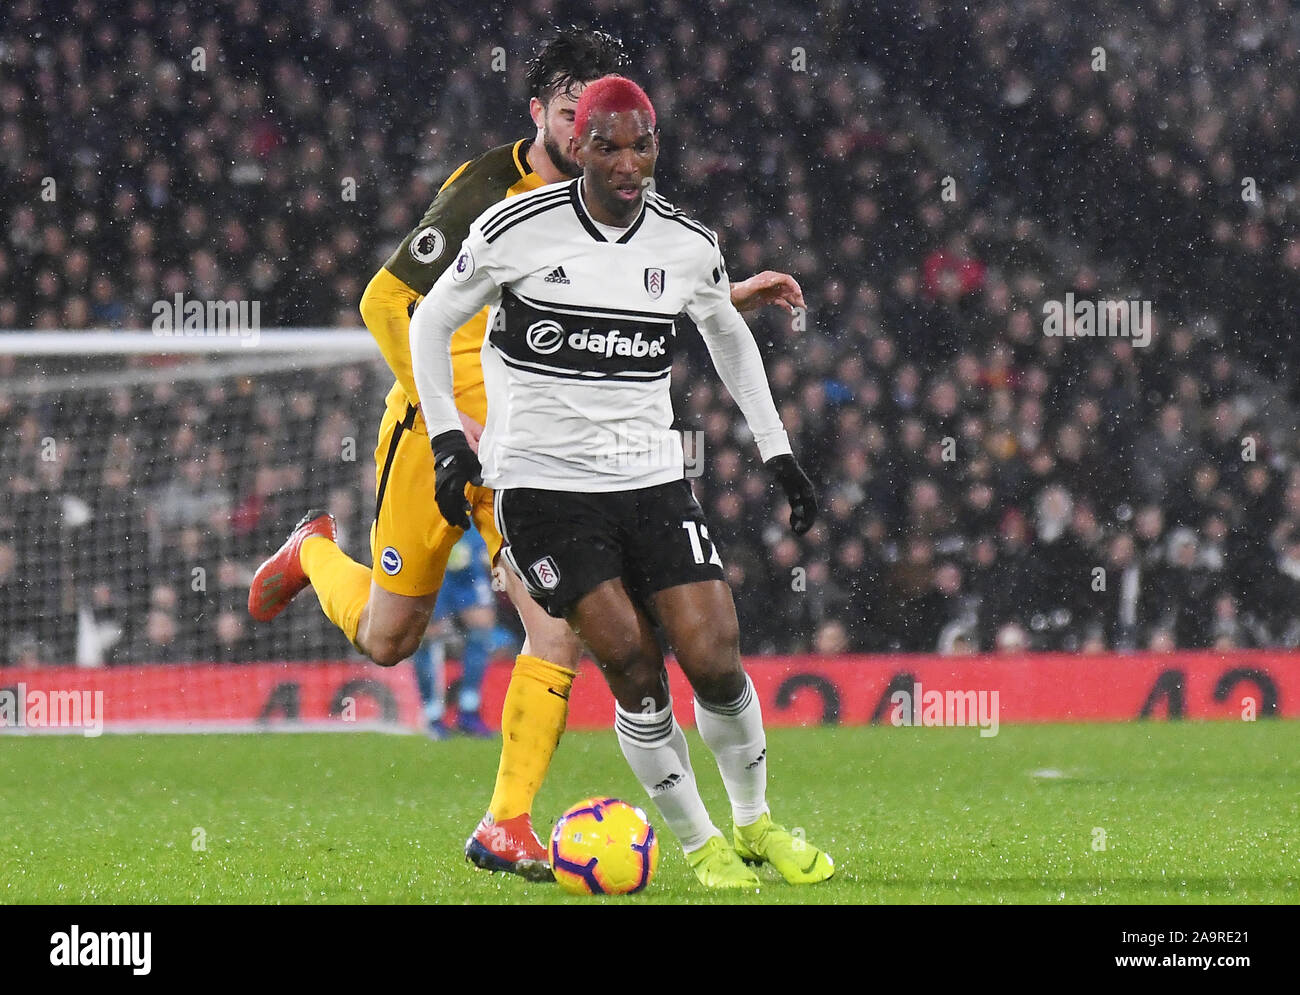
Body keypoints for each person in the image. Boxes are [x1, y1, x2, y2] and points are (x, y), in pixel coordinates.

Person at [247, 30, 805, 882]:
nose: (593, 130)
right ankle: (313, 550)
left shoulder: (618, 186)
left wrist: (722, 297)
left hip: (533, 460)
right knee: (388, 635)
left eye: (607, 116)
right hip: (441, 438)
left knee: (561, 628)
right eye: (573, 111)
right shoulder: (487, 191)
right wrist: (449, 424)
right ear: (541, 111)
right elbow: (389, 301)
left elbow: (623, 285)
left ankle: (506, 822)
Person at [411, 76, 833, 889]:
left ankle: (755, 824)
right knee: (635, 667)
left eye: (642, 145)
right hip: (541, 488)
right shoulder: (515, 228)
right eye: (608, 145)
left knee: (715, 654)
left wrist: (777, 451)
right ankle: (702, 843)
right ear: (580, 149)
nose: (627, 162)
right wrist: (445, 443)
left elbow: (727, 332)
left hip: (649, 480)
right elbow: (430, 319)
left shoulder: (685, 243)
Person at [411, 528, 513, 739]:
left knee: (481, 628)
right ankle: (433, 716)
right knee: (428, 634)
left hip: (468, 539)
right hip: (432, 543)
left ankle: (468, 711)